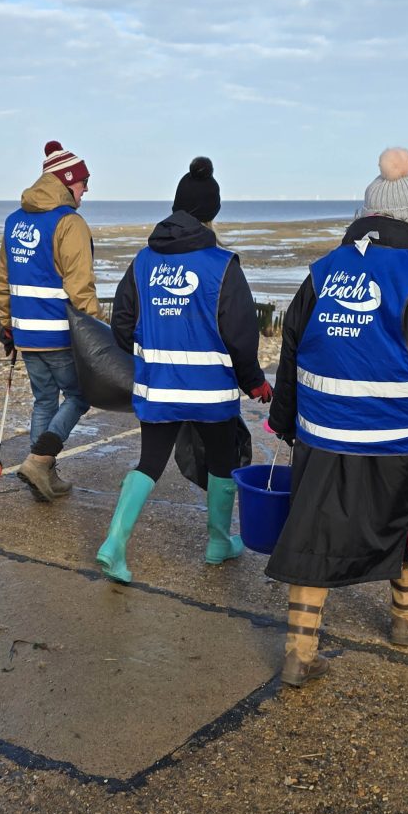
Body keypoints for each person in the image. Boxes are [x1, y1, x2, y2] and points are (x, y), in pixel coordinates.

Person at [266, 148, 408, 687]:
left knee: (313, 531)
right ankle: (405, 624)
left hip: (322, 435)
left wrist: (284, 419)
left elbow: (292, 350)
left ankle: (299, 653)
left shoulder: (323, 270)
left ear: (368, 214)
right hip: (400, 442)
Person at [96, 157, 272, 584]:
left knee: (150, 462)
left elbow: (121, 323)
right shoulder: (222, 264)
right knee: (223, 461)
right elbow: (241, 334)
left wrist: (149, 354)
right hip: (211, 395)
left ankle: (113, 546)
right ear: (211, 213)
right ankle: (217, 543)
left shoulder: (142, 262)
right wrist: (254, 382)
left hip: (158, 388)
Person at [0, 141, 99, 501]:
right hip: (59, 333)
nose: (87, 189)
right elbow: (80, 287)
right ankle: (39, 462)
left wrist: (6, 325)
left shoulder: (14, 221)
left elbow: (3, 279)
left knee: (44, 401)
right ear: (67, 181)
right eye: (84, 182)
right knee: (80, 396)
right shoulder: (69, 223)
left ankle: (44, 479)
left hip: (26, 333)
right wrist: (98, 334)